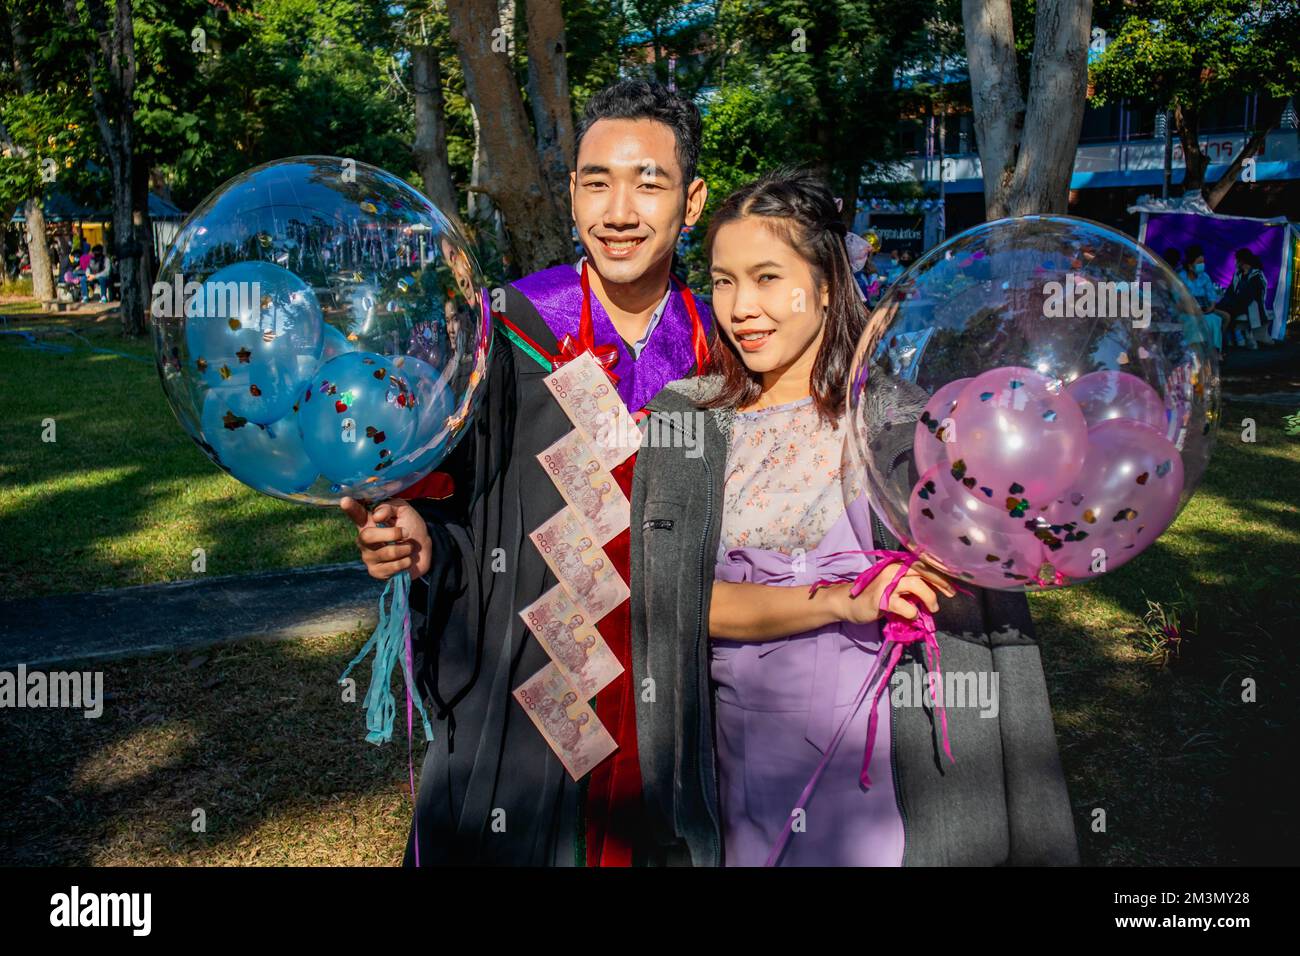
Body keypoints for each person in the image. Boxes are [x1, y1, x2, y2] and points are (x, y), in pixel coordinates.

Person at [630, 168, 1080, 866]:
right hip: (742, 762)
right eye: (723, 280)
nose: (742, 306)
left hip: (886, 770)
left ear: (830, 284)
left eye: (769, 277)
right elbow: (679, 605)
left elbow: (1005, 552)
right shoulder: (687, 421)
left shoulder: (898, 423)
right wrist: (843, 598)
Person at [341, 79, 713, 866]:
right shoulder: (509, 331)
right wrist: (421, 539)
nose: (618, 211)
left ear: (693, 201)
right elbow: (455, 503)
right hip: (527, 698)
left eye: (649, 183)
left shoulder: (729, 350)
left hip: (685, 707)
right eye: (595, 181)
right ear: (571, 192)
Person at [1214, 248, 1272, 350]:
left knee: (1228, 309)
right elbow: (1230, 291)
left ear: (1242, 261)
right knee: (1221, 306)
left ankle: (1232, 337)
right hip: (1238, 302)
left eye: (1236, 259)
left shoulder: (1257, 275)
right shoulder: (1238, 274)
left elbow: (1249, 297)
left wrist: (1230, 302)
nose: (1235, 262)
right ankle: (1228, 336)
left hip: (1252, 305)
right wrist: (1225, 301)